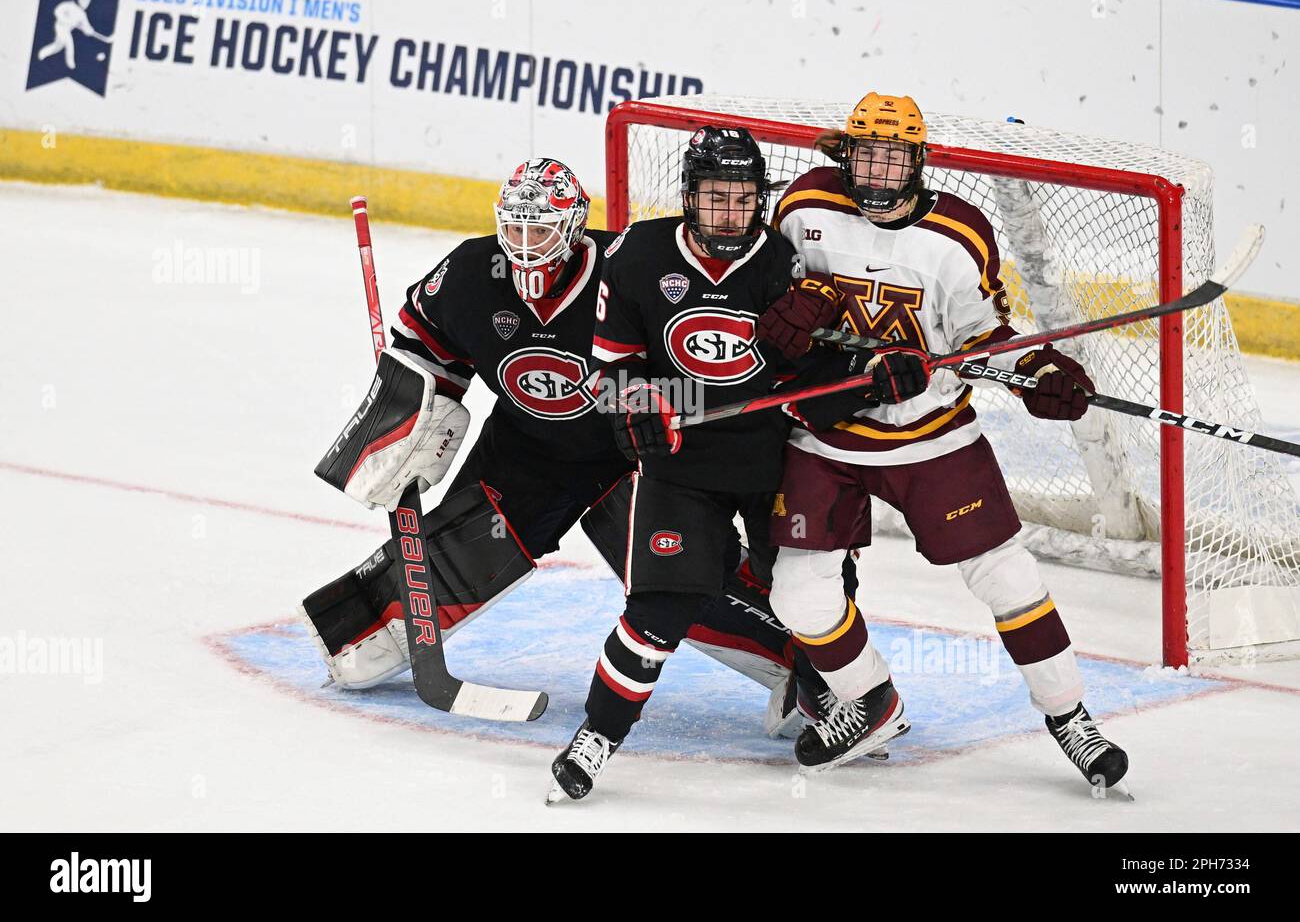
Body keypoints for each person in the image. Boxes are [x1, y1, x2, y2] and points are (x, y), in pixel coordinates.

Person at [304, 157, 814, 739]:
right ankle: (357, 629)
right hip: (527, 453)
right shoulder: (473, 273)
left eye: (540, 228)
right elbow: (423, 343)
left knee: (681, 577)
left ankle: (802, 666)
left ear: (572, 227)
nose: (524, 244)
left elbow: (689, 357)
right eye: (514, 227)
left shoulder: (626, 267)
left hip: (630, 457)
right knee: (417, 589)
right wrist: (408, 426)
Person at [757, 92, 1130, 788]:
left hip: (932, 437)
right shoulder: (803, 207)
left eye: (893, 156)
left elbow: (986, 341)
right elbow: (777, 305)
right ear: (845, 153)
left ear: (918, 161)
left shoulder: (958, 235)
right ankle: (871, 700)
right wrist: (797, 326)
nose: (877, 171)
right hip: (827, 433)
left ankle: (1069, 716)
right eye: (865, 153)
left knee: (1008, 577)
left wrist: (1040, 372)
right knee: (798, 595)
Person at [547, 127, 898, 803]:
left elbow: (822, 376)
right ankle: (597, 735)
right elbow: (609, 373)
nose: (731, 214)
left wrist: (873, 370)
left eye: (744, 199)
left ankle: (830, 700)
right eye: (716, 199)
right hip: (683, 467)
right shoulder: (638, 257)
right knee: (659, 604)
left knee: (815, 589)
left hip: (778, 464)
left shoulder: (784, 264)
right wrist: (640, 399)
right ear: (689, 198)